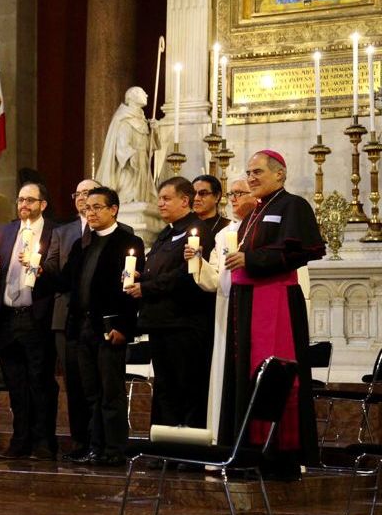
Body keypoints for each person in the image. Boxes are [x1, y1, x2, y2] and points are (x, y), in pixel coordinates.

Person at [220, 150, 325, 479]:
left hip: (275, 298)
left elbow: (299, 251)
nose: (251, 178)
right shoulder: (255, 212)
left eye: (258, 172)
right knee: (249, 374)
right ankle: (252, 449)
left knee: (275, 373)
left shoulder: (292, 205)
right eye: (248, 172)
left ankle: (281, 454)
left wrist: (251, 261)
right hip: (249, 300)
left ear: (280, 174)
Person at [60, 187, 145, 466]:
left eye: (97, 207)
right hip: (83, 327)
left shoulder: (128, 242)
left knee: (111, 392)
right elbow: (66, 281)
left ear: (114, 210)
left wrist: (124, 326)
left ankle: (115, 449)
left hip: (109, 327)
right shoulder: (82, 244)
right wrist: (36, 274)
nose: (91, 212)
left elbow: (129, 290)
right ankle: (95, 446)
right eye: (87, 208)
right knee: (91, 392)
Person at [126, 176, 215, 428]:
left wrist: (147, 287)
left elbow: (187, 274)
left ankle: (185, 445)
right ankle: (164, 443)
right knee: (165, 386)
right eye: (159, 199)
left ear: (184, 200)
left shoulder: (197, 231)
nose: (160, 204)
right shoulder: (167, 232)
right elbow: (159, 268)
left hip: (184, 322)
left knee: (186, 385)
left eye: (166, 199)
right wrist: (140, 276)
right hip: (161, 321)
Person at [0, 182, 58, 460]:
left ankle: (43, 441)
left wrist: (37, 266)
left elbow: (57, 273)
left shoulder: (55, 232)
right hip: (8, 318)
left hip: (37, 317)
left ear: (43, 205)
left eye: (30, 200)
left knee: (40, 382)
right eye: (20, 200)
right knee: (15, 383)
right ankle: (20, 440)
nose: (23, 205)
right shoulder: (6, 232)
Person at [184, 179, 257, 442]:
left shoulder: (262, 227)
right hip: (226, 311)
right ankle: (223, 437)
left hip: (256, 308)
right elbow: (214, 279)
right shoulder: (224, 234)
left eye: (241, 193)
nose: (234, 198)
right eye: (233, 194)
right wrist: (197, 259)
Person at [43, 178, 99, 460]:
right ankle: (79, 441)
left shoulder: (119, 232)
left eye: (88, 193)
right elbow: (51, 267)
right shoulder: (62, 232)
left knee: (96, 384)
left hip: (98, 317)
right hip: (65, 316)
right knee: (74, 383)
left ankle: (100, 441)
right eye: (77, 193)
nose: (81, 198)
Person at [95, 87, 157, 204]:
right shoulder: (124, 118)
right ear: (131, 98)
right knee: (128, 193)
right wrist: (131, 156)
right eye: (141, 92)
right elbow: (122, 146)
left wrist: (155, 131)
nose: (146, 95)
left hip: (142, 163)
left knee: (142, 197)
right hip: (130, 165)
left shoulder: (143, 120)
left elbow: (149, 147)